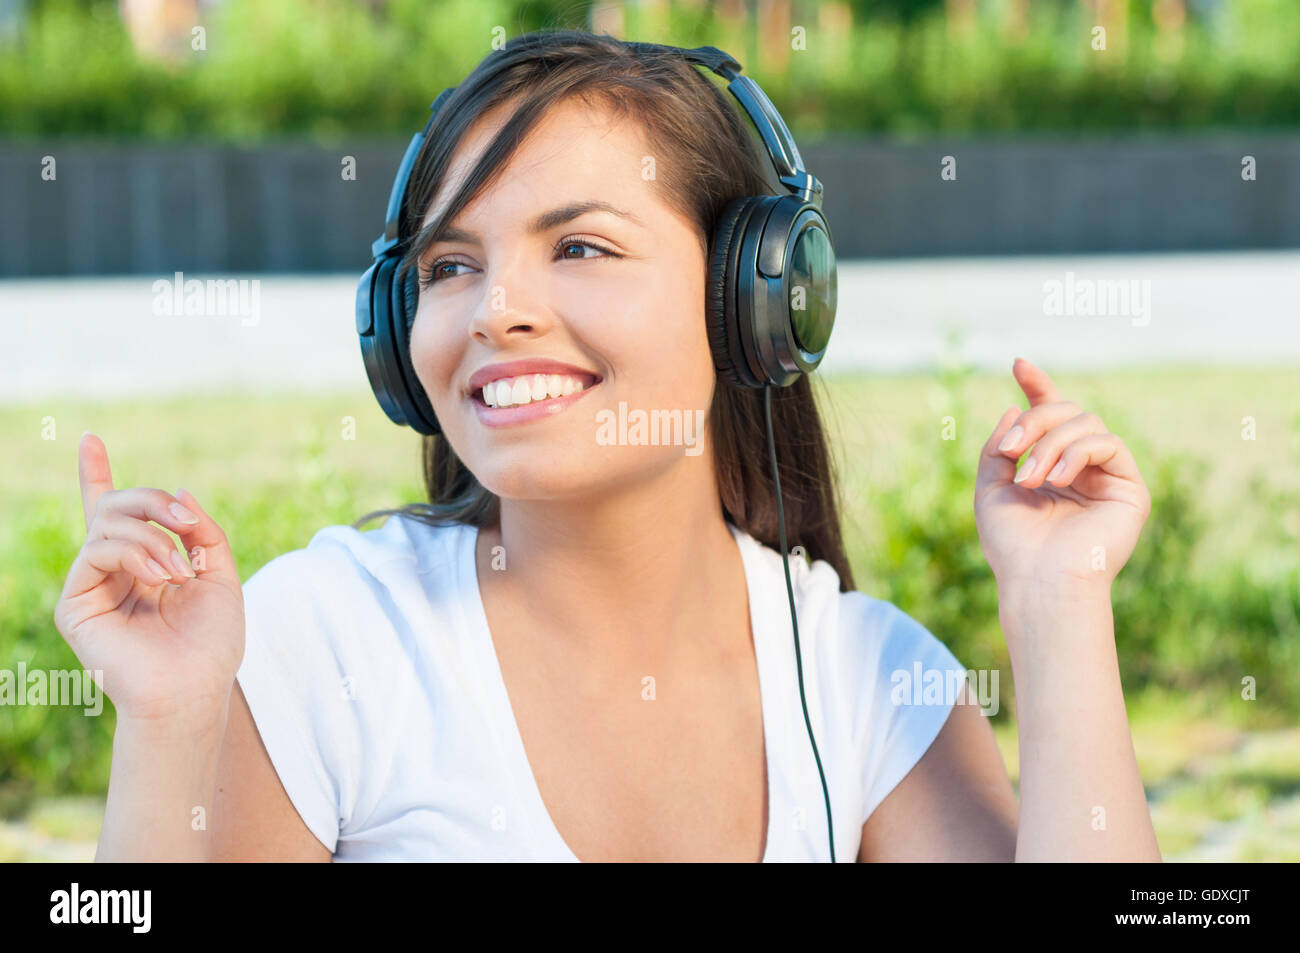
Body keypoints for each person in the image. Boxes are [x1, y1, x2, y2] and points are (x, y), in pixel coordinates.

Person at [54, 29, 1160, 862]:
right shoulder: (326, 640)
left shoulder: (871, 678)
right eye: (449, 266)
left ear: (754, 298)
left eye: (578, 245)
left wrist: (1059, 607)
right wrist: (166, 720)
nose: (496, 309)